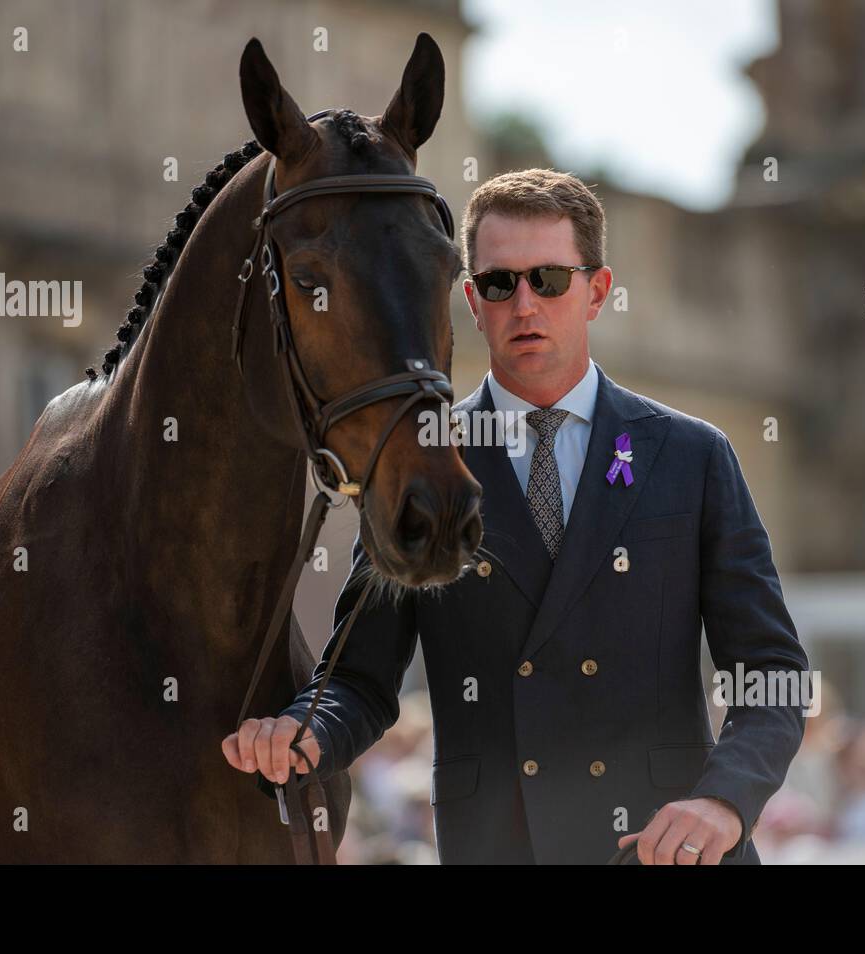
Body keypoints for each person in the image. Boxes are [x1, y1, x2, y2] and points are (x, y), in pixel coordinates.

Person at [222, 168, 809, 864]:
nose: (524, 304)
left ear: (597, 291)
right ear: (472, 300)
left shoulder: (691, 456)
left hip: (666, 852)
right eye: (501, 284)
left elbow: (771, 674)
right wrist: (305, 731)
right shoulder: (419, 467)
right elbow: (359, 678)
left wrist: (724, 800)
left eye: (550, 280)